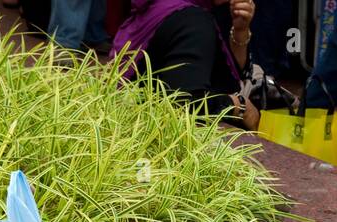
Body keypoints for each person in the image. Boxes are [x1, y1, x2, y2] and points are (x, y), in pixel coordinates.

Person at [112, 0, 261, 129]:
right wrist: (240, 106)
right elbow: (183, 104)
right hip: (162, 143)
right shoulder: (194, 21)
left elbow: (230, 73)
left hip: (128, 126)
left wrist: (240, 31)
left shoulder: (170, 7)